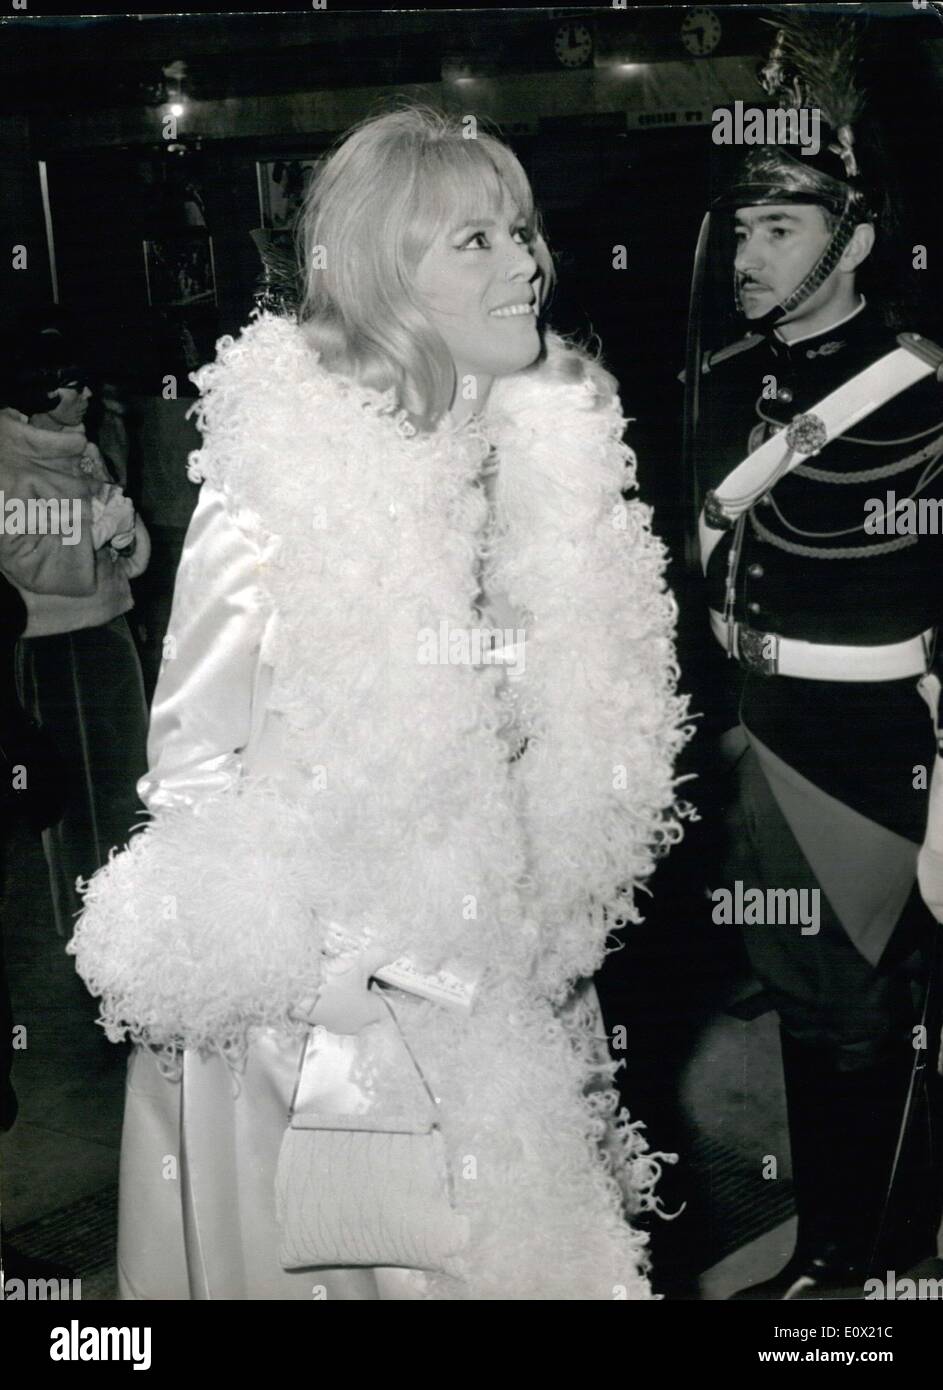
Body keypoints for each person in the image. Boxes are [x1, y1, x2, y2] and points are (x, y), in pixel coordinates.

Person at [69, 106, 691, 1300]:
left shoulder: (540, 450)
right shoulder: (284, 477)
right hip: (329, 1005)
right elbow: (193, 764)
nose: (526, 264)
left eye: (521, 230)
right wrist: (314, 974)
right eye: (474, 240)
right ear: (379, 273)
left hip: (507, 956)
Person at [687, 17, 943, 1298]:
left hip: (877, 748)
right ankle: (831, 1234)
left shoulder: (925, 393)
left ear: (855, 244)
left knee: (870, 1012)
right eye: (742, 229)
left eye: (778, 230)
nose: (746, 253)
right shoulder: (730, 384)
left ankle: (868, 1252)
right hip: (761, 728)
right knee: (804, 999)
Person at [0, 323, 151, 937]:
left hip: (106, 636)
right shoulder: (11, 460)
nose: (84, 394)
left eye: (83, 381)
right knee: (75, 802)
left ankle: (137, 922)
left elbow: (112, 534)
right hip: (54, 649)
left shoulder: (74, 443)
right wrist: (91, 530)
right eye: (69, 385)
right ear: (37, 389)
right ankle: (91, 936)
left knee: (126, 783)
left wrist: (121, 535)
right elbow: (21, 551)